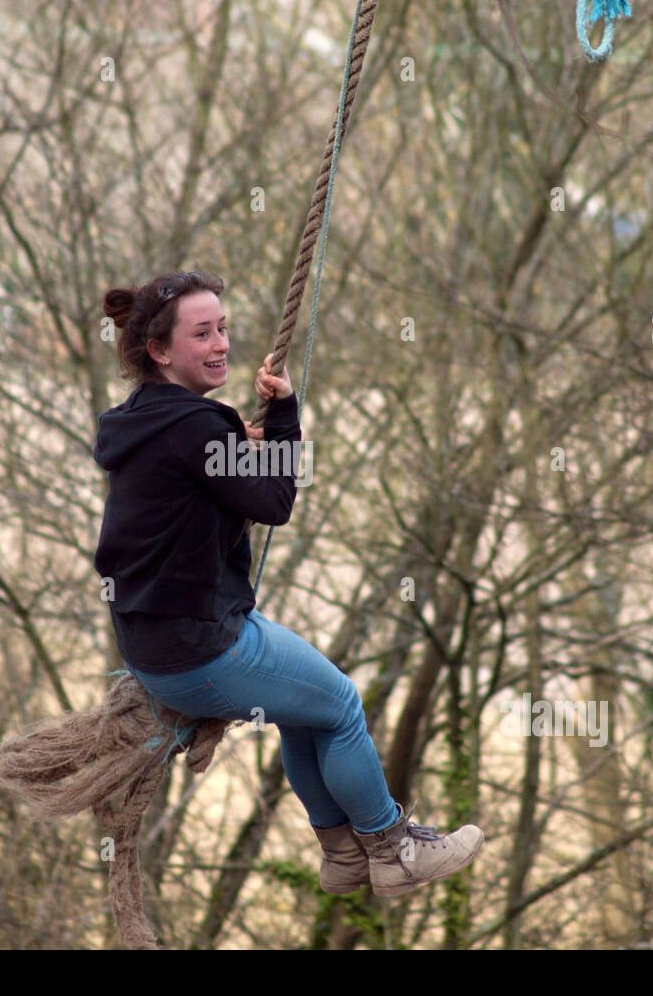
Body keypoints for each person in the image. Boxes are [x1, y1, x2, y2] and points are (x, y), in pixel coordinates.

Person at [92, 268, 484, 898]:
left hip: (153, 649)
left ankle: (342, 856)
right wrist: (284, 415)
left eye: (223, 328)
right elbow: (274, 501)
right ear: (160, 351)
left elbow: (195, 474)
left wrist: (236, 439)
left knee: (307, 715)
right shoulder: (197, 427)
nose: (221, 344)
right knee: (341, 707)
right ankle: (391, 849)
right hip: (200, 648)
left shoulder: (137, 420)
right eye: (202, 334)